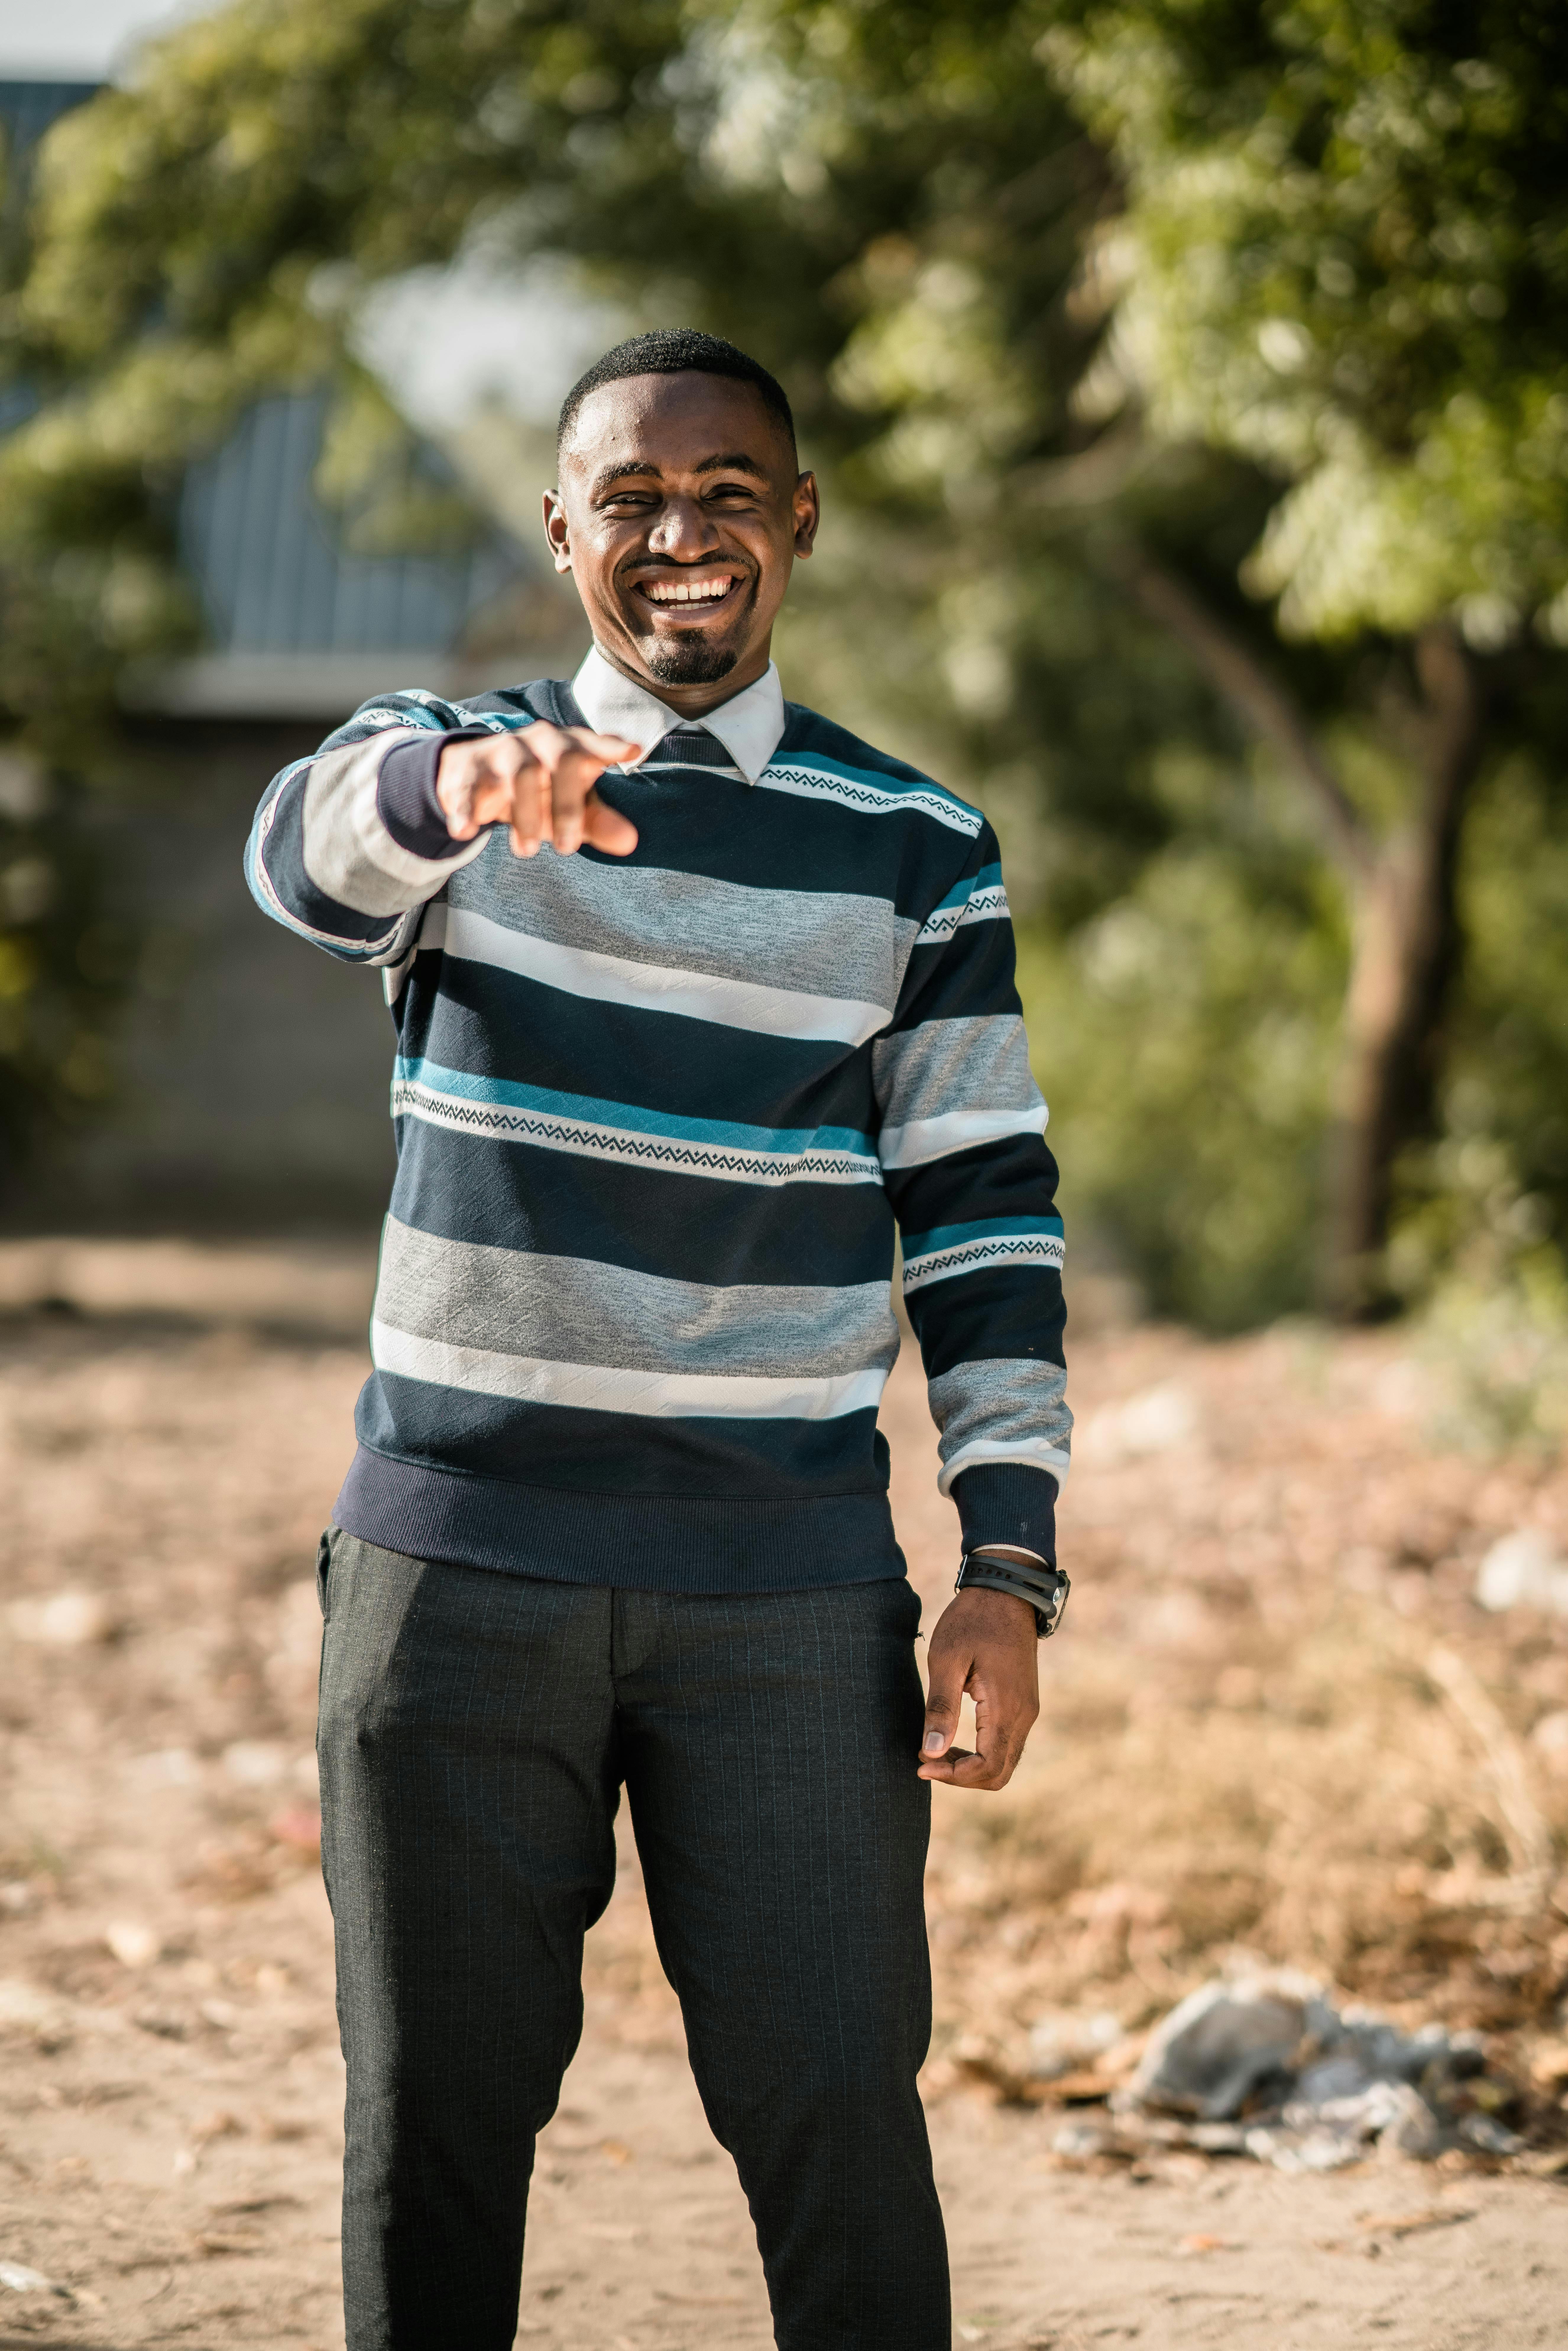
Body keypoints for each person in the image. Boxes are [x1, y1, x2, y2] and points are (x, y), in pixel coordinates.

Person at [246, 328, 1071, 2351]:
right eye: (630, 496)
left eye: (726, 492)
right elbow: (301, 855)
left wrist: (1009, 1569)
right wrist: (455, 787)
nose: (680, 533)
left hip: (784, 1604)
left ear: (797, 521)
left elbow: (981, 1219)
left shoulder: (917, 846)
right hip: (453, 1583)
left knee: (838, 2136)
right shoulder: (451, 772)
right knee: (429, 2139)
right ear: (561, 533)